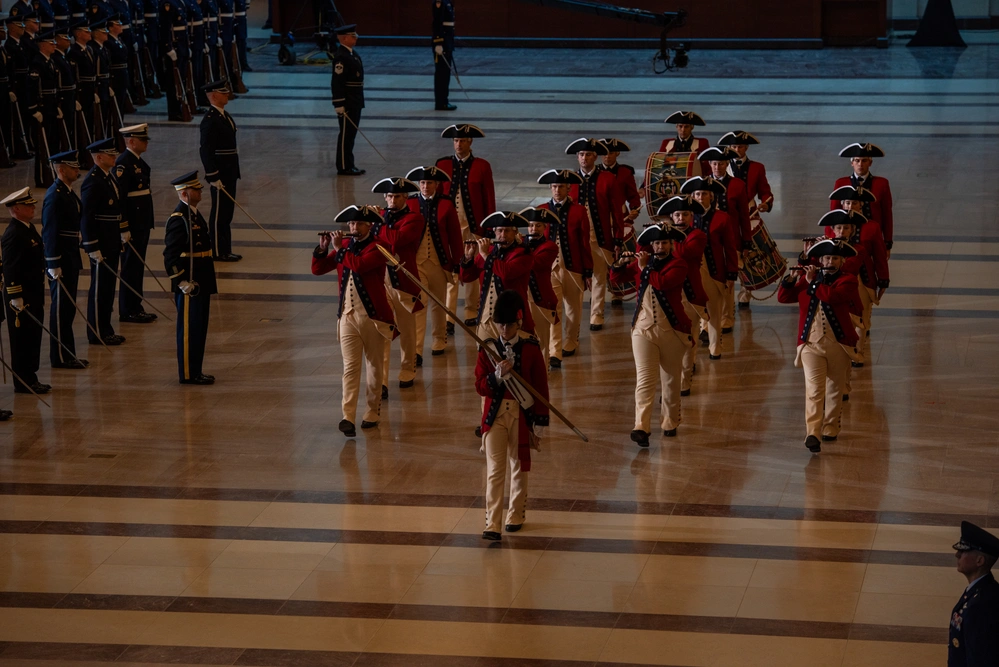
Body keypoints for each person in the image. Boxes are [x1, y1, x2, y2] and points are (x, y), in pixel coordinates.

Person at [312, 205, 395, 437]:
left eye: (358, 224)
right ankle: (347, 415)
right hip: (347, 316)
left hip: (373, 317)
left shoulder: (380, 247)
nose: (353, 228)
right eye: (350, 224)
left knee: (374, 366)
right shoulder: (345, 247)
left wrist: (339, 250)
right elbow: (318, 269)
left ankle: (372, 411)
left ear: (369, 225)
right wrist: (322, 249)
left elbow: (359, 266)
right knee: (350, 367)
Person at [474, 289, 548, 541]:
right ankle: (492, 523)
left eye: (508, 324)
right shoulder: (487, 349)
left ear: (519, 322)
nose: (503, 329)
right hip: (495, 417)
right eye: (499, 324)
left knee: (519, 467)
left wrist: (540, 423)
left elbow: (540, 388)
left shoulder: (530, 348)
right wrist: (496, 377)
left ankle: (515, 514)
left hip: (521, 415)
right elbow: (479, 385)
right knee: (495, 470)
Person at [611, 224, 691, 446]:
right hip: (642, 330)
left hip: (672, 332)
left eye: (664, 242)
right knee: (644, 380)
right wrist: (621, 263)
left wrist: (644, 267)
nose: (660, 246)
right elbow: (616, 278)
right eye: (656, 243)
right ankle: (641, 426)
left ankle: (670, 421)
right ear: (651, 245)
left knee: (671, 380)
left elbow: (662, 283)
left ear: (671, 244)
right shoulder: (642, 264)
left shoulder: (678, 264)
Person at [777, 238, 859, 453]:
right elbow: (784, 298)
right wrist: (791, 279)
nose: (830, 261)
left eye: (834, 258)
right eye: (826, 258)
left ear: (841, 261)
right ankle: (812, 432)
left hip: (839, 344)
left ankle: (830, 427)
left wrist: (812, 282)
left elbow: (833, 297)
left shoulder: (848, 280)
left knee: (834, 390)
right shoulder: (809, 279)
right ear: (820, 260)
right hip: (810, 344)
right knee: (814, 390)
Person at [435, 123, 494, 328]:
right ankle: (449, 316)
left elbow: (489, 197)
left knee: (473, 268)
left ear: (470, 142)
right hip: (449, 228)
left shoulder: (482, 166)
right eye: (456, 140)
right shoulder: (442, 165)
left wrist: (488, 226)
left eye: (462, 141)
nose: (458, 144)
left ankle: (471, 310)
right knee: (451, 269)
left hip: (473, 227)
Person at [565, 137, 625, 332]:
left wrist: (618, 238)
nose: (584, 158)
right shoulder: (570, 181)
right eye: (581, 155)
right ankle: (575, 316)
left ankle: (596, 314)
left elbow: (616, 211)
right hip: (576, 239)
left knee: (599, 276)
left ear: (595, 156)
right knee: (578, 276)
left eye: (588, 154)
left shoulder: (608, 179)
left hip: (600, 238)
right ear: (577, 157)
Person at [163, 170, 216, 384]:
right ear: (185, 193)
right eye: (195, 189)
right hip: (190, 283)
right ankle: (187, 373)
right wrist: (180, 281)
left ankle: (196, 370)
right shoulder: (179, 219)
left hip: (201, 280)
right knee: (188, 330)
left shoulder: (193, 214)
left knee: (199, 328)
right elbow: (170, 255)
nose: (199, 191)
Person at [371, 176, 424, 390]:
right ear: (385, 197)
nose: (393, 200)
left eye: (398, 197)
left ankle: (407, 369)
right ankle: (381, 380)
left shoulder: (414, 219)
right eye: (390, 196)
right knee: (382, 330)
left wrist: (376, 222)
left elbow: (396, 240)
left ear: (405, 198)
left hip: (403, 282)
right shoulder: (378, 218)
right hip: (380, 280)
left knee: (407, 330)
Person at [824, 193, 888, 363]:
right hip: (838, 278)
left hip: (863, 278)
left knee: (861, 315)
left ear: (861, 205)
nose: (850, 206)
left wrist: (883, 279)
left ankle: (858, 354)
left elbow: (879, 255)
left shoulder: (871, 227)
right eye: (847, 202)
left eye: (854, 203)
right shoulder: (832, 226)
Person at [405, 165, 462, 358]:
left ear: (437, 185)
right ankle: (417, 349)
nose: (425, 186)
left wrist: (458, 261)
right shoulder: (410, 203)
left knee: (439, 303)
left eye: (429, 182)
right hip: (417, 262)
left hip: (439, 262)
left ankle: (439, 338)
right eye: (422, 182)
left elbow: (455, 236)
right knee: (419, 304)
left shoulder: (446, 204)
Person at [537, 168, 590, 367]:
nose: (557, 190)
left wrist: (588, 271)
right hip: (550, 269)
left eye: (560, 186)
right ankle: (555, 350)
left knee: (573, 309)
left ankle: (571, 340)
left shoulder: (578, 211)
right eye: (554, 186)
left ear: (568, 188)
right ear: (550, 188)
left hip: (573, 267)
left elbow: (584, 242)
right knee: (554, 308)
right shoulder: (542, 210)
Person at [41, 149, 89, 368]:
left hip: (70, 256)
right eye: (73, 167)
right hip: (61, 258)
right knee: (61, 309)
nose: (77, 169)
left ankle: (68, 353)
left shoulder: (67, 192)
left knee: (68, 308)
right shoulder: (55, 195)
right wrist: (52, 262)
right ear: (61, 170)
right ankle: (60, 356)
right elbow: (49, 231)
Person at [1, 187, 51, 395]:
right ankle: (23, 381)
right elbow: (10, 267)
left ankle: (31, 376)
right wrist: (15, 295)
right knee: (22, 340)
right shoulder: (13, 233)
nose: (32, 208)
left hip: (33, 292)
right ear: (16, 209)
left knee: (33, 337)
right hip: (21, 296)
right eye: (28, 206)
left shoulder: (28, 228)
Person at [681, 176, 736, 360]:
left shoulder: (722, 218)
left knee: (714, 312)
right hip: (692, 273)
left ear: (711, 196)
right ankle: (692, 353)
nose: (700, 197)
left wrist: (731, 273)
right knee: (694, 314)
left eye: (704, 194)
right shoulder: (686, 217)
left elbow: (729, 247)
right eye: (697, 194)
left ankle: (715, 348)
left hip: (714, 273)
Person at [658, 195, 707, 396]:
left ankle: (684, 382)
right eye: (677, 215)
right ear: (671, 216)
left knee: (689, 340)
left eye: (685, 214)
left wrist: (666, 237)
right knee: (667, 342)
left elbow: (683, 253)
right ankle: (669, 383)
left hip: (690, 297)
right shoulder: (663, 237)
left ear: (691, 216)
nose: (681, 218)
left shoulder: (698, 235)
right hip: (668, 295)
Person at [718, 130, 773, 311]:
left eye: (740, 146)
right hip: (729, 214)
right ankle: (726, 295)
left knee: (748, 254)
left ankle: (745, 292)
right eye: (733, 146)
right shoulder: (721, 166)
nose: (736, 149)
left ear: (746, 147)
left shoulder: (757, 167)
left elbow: (765, 190)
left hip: (750, 213)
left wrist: (767, 201)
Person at [460, 210, 534, 341]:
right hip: (486, 317)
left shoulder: (523, 253)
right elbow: (467, 277)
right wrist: (468, 258)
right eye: (499, 230)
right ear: (494, 232)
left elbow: (506, 273)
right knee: (485, 354)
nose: (502, 235)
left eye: (507, 231)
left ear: (515, 232)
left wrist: (485, 256)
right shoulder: (488, 251)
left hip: (512, 318)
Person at [80, 136, 125, 345]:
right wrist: (92, 246)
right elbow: (87, 217)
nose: (114, 156)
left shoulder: (108, 176)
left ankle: (106, 328)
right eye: (110, 154)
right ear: (99, 157)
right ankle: (97, 331)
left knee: (108, 287)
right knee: (100, 289)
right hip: (101, 242)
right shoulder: (92, 181)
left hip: (112, 239)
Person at [701, 146, 750, 333]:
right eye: (714, 163)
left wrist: (746, 242)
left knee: (727, 281)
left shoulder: (737, 185)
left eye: (721, 163)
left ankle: (727, 318)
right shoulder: (702, 185)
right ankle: (706, 319)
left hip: (731, 241)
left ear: (726, 164)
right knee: (707, 280)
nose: (717, 167)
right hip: (708, 240)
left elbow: (744, 216)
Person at [115, 123, 157, 322]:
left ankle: (135, 305)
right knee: (131, 267)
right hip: (132, 225)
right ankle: (128, 309)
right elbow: (120, 199)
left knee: (137, 267)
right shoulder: (124, 163)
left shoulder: (137, 161)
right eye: (142, 140)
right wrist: (123, 226)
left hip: (141, 223)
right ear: (131, 141)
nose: (145, 143)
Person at [199, 78, 240, 261]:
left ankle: (225, 248)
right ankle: (216, 250)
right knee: (219, 213)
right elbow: (205, 150)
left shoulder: (225, 115)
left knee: (227, 212)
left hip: (230, 171)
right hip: (220, 173)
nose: (227, 95)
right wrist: (212, 174)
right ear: (214, 96)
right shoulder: (210, 120)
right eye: (223, 93)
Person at [949, 520, 999, 667]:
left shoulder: (981, 604)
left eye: (964, 551)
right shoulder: (979, 592)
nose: (957, 555)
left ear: (979, 560)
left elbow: (979, 659)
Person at [832, 142, 894, 252]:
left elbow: (887, 215)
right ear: (852, 163)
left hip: (872, 237)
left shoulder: (881, 184)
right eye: (857, 160)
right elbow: (834, 214)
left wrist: (887, 243)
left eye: (864, 161)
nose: (860, 164)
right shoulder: (841, 183)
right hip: (847, 238)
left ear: (870, 163)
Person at [519, 207, 558, 366]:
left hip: (540, 299)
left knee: (541, 339)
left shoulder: (549, 246)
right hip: (521, 295)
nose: (533, 229)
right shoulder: (521, 242)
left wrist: (517, 248)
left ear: (545, 228)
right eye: (530, 226)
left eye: (538, 226)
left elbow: (533, 263)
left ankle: (544, 372)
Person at [26, 28, 59, 187]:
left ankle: (50, 173)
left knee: (51, 142)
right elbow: (32, 89)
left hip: (51, 107)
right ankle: (41, 177)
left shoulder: (49, 61)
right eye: (51, 43)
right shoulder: (37, 62)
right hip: (42, 108)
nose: (55, 45)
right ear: (43, 45)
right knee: (42, 146)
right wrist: (34, 109)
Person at [331, 23, 363, 176]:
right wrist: (339, 103)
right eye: (352, 36)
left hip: (355, 100)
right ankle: (343, 166)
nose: (355, 38)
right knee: (346, 135)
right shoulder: (341, 58)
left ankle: (350, 163)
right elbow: (337, 83)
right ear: (344, 38)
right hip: (348, 101)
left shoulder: (352, 54)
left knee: (351, 135)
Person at [158, 0, 189, 122]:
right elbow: (165, 27)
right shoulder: (168, 3)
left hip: (181, 46)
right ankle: (173, 111)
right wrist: (168, 48)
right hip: (174, 48)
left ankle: (179, 108)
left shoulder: (179, 2)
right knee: (172, 82)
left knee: (180, 80)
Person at [66, 20, 96, 147]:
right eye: (86, 31)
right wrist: (77, 95)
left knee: (90, 120)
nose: (89, 33)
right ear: (78, 34)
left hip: (90, 90)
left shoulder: (89, 49)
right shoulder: (74, 52)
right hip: (82, 91)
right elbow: (75, 75)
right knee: (81, 123)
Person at [659, 110, 708, 176]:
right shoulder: (667, 143)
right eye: (680, 126)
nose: (683, 130)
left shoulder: (702, 143)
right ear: (676, 127)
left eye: (686, 127)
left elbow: (707, 168)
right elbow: (658, 167)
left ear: (692, 127)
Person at [431, 0, 454, 111]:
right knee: (442, 74)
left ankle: (444, 100)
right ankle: (441, 103)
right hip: (442, 44)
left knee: (445, 74)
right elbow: (437, 23)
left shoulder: (447, 2)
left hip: (447, 42)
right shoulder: (439, 2)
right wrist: (438, 42)